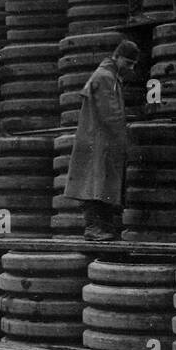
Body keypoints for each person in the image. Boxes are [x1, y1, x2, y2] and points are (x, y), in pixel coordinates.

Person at [65, 40, 138, 242]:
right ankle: (93, 228)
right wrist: (125, 137)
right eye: (129, 63)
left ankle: (103, 228)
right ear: (118, 57)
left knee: (102, 186)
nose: (130, 69)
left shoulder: (109, 76)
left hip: (100, 140)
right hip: (99, 141)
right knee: (95, 187)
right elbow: (110, 114)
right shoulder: (106, 77)